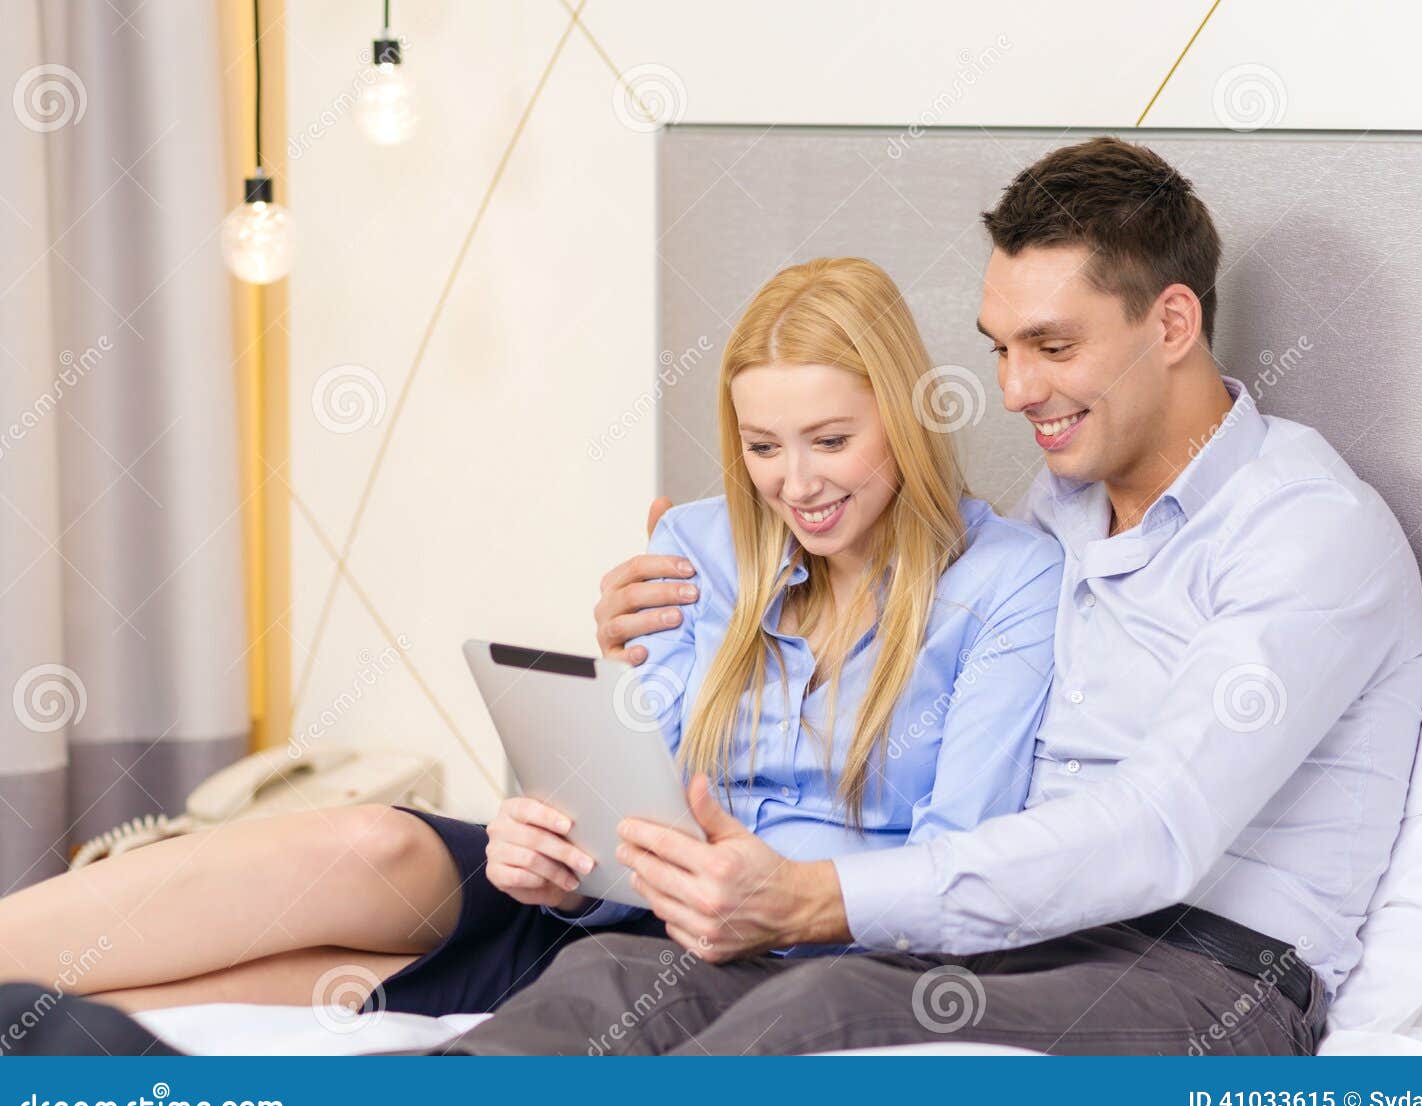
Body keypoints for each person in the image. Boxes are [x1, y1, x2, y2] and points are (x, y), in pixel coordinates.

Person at [434, 135, 1422, 1056]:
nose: (1014, 390)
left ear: (1172, 322)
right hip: (1007, 938)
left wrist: (818, 898)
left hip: (1201, 973)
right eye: (1000, 347)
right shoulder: (1059, 514)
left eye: (1052, 347)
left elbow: (1159, 831)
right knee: (611, 978)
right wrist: (671, 616)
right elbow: (904, 607)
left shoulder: (1305, 533)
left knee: (821, 1013)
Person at [0, 257, 1062, 1025]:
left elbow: (953, 867)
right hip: (608, 903)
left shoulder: (1005, 581)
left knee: (172, 1007)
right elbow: (633, 774)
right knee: (369, 841)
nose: (795, 484)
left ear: (905, 418)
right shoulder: (700, 546)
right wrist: (551, 852)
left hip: (759, 944)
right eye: (761, 447)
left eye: (831, 440)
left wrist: (769, 892)